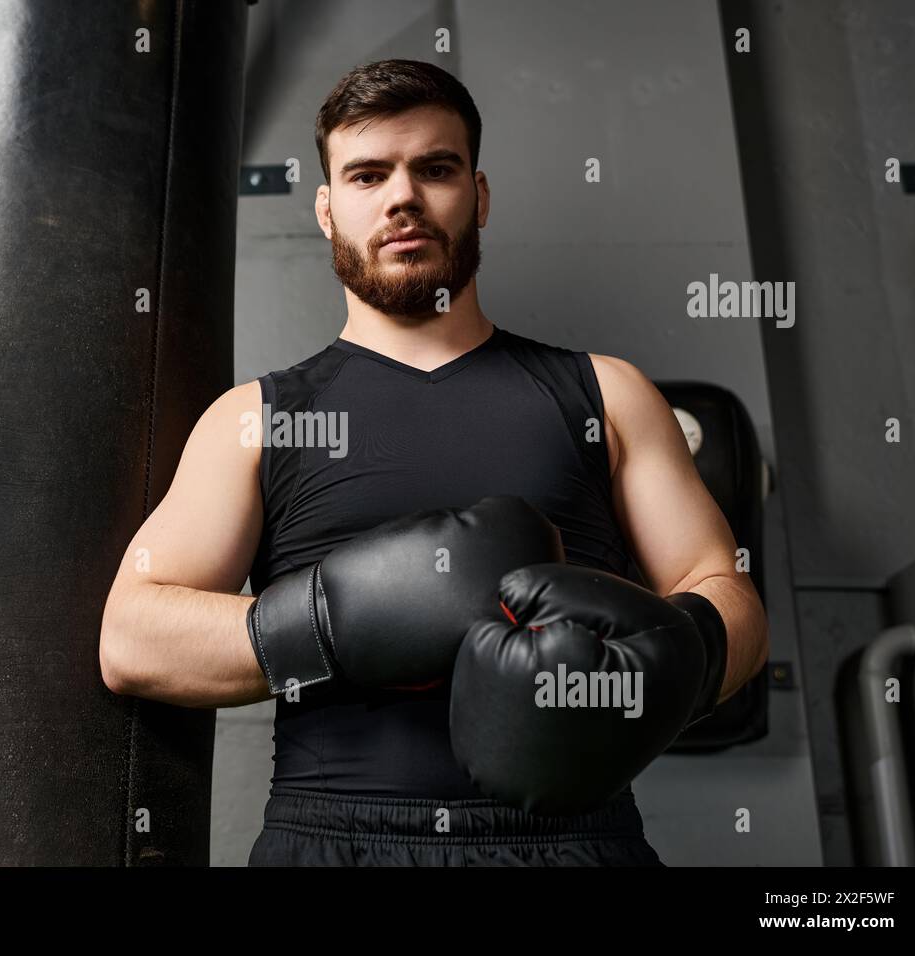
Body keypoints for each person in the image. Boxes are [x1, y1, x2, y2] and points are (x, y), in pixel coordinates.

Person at [99, 58, 769, 866]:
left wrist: (677, 666)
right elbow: (131, 639)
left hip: (572, 844)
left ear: (478, 195)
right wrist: (330, 625)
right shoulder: (257, 420)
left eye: (436, 168)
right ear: (327, 209)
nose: (402, 197)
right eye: (368, 174)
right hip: (334, 843)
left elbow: (722, 585)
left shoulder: (606, 395)